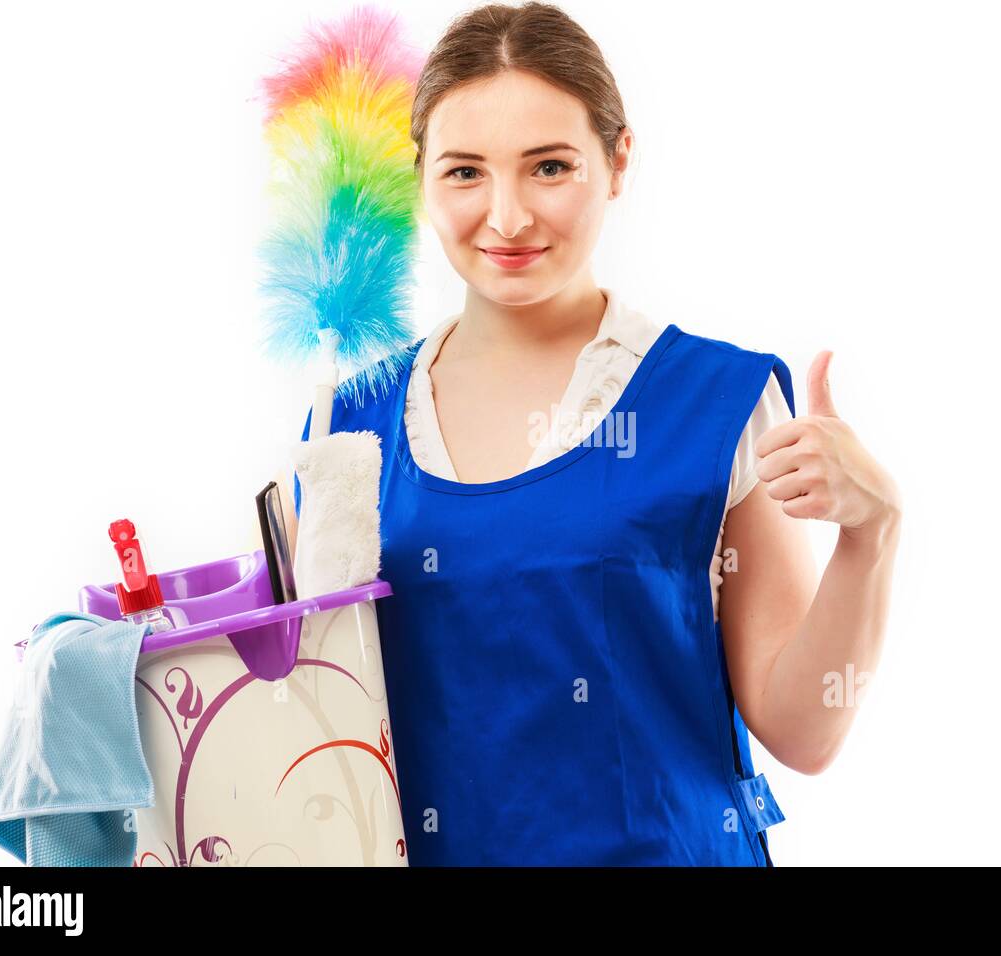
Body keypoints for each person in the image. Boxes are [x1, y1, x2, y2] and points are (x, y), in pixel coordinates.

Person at [290, 1, 901, 866]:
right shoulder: (345, 429)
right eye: (465, 172)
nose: (505, 218)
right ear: (418, 174)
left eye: (549, 167)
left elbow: (805, 731)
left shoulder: (714, 402)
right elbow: (307, 721)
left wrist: (870, 537)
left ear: (618, 162)